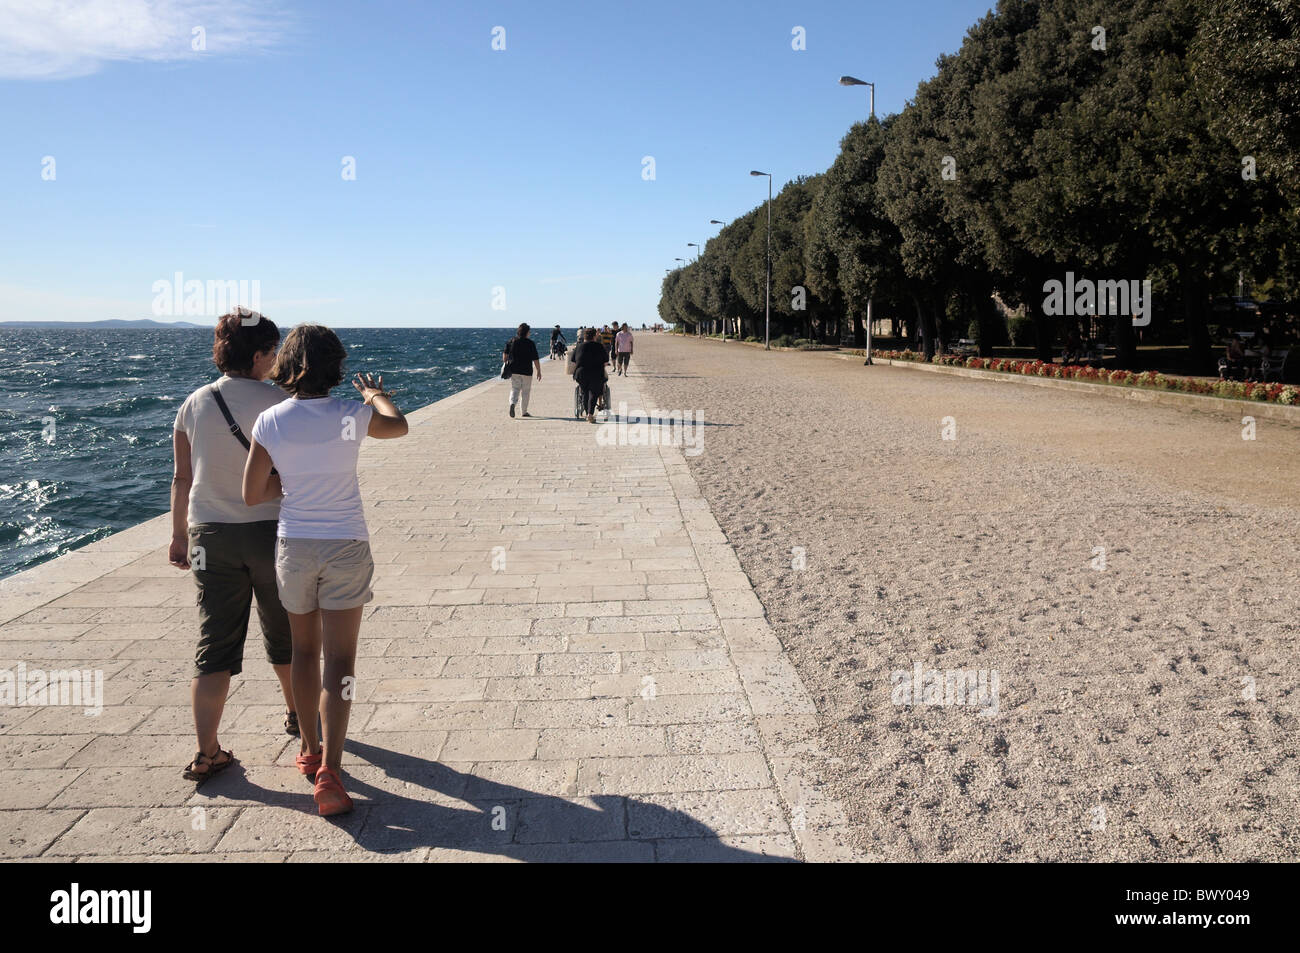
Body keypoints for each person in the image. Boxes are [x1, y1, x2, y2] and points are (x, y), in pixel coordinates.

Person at [242, 324, 408, 816]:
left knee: (303, 650)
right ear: (336, 367)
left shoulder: (270, 420)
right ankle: (331, 773)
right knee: (340, 660)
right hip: (346, 544)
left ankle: (309, 751)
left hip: (295, 545)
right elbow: (397, 425)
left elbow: (253, 494)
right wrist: (375, 394)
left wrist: (291, 486)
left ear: (286, 366)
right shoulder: (350, 415)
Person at [171, 309, 296, 784]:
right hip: (269, 530)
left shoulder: (194, 402)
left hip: (209, 534)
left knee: (214, 643)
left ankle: (207, 753)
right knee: (284, 630)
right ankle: (297, 715)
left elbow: (183, 477)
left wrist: (178, 536)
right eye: (273, 352)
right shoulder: (280, 402)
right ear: (261, 354)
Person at [503, 323, 541, 418]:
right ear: (527, 332)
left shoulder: (511, 341)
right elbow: (535, 359)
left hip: (514, 370)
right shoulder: (530, 343)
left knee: (515, 389)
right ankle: (524, 412)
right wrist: (539, 370)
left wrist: (506, 362)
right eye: (529, 332)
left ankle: (512, 403)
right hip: (527, 371)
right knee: (526, 391)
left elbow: (505, 356)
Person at [573, 327, 609, 423]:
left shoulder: (579, 346)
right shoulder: (599, 346)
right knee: (593, 393)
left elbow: (573, 360)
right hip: (596, 373)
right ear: (594, 336)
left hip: (581, 373)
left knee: (585, 393)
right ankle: (590, 414)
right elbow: (606, 360)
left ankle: (587, 413)